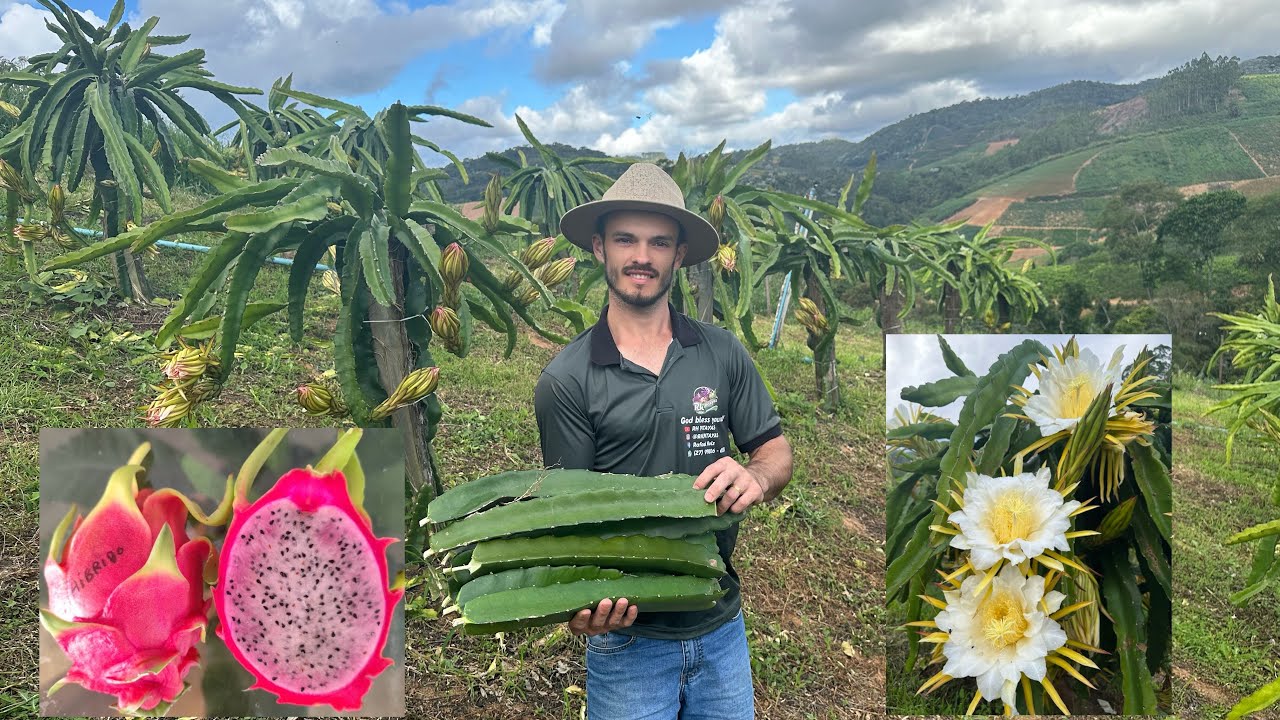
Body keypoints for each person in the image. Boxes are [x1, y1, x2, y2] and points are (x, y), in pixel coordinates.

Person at [534, 163, 793, 719]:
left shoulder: (722, 352)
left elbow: (774, 450)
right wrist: (576, 603)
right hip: (629, 638)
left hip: (721, 619)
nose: (641, 257)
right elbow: (566, 518)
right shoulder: (568, 378)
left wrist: (757, 475)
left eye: (659, 242)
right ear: (600, 248)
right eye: (626, 239)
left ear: (679, 255)